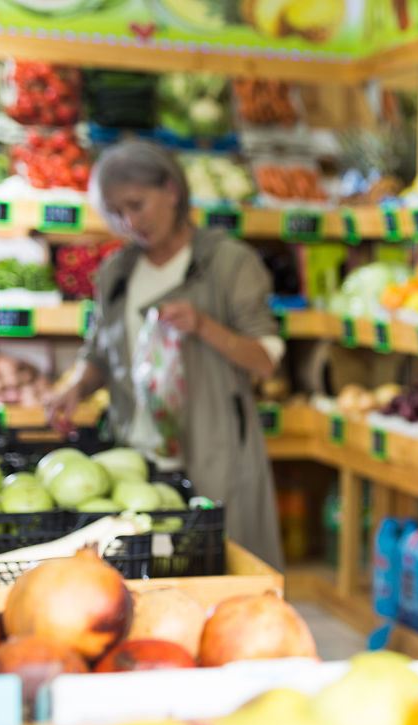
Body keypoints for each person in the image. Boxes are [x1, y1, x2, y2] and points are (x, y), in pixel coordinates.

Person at [44, 140, 285, 569]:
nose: (129, 221)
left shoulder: (229, 263)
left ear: (172, 190)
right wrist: (74, 388)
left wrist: (204, 325)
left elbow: (265, 359)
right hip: (132, 461)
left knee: (217, 571)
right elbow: (99, 353)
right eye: (116, 212)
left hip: (213, 457)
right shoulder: (117, 271)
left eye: (137, 204)